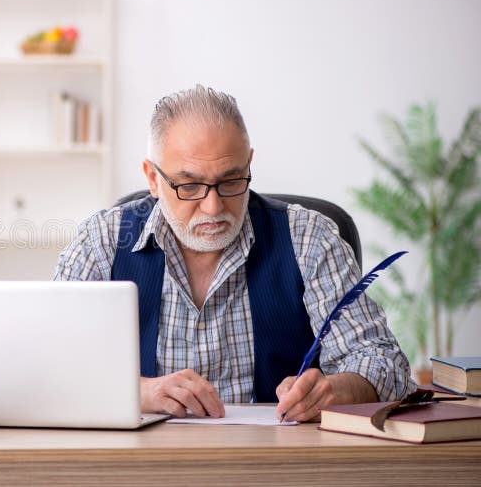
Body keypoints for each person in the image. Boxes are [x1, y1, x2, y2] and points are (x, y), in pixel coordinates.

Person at [54, 85, 417, 421]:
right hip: (141, 462)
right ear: (153, 178)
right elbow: (51, 362)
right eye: (190, 185)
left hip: (278, 462)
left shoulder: (310, 238)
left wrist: (337, 390)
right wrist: (136, 392)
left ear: (249, 165)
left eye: (230, 181)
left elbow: (384, 362)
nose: (213, 208)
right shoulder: (101, 241)